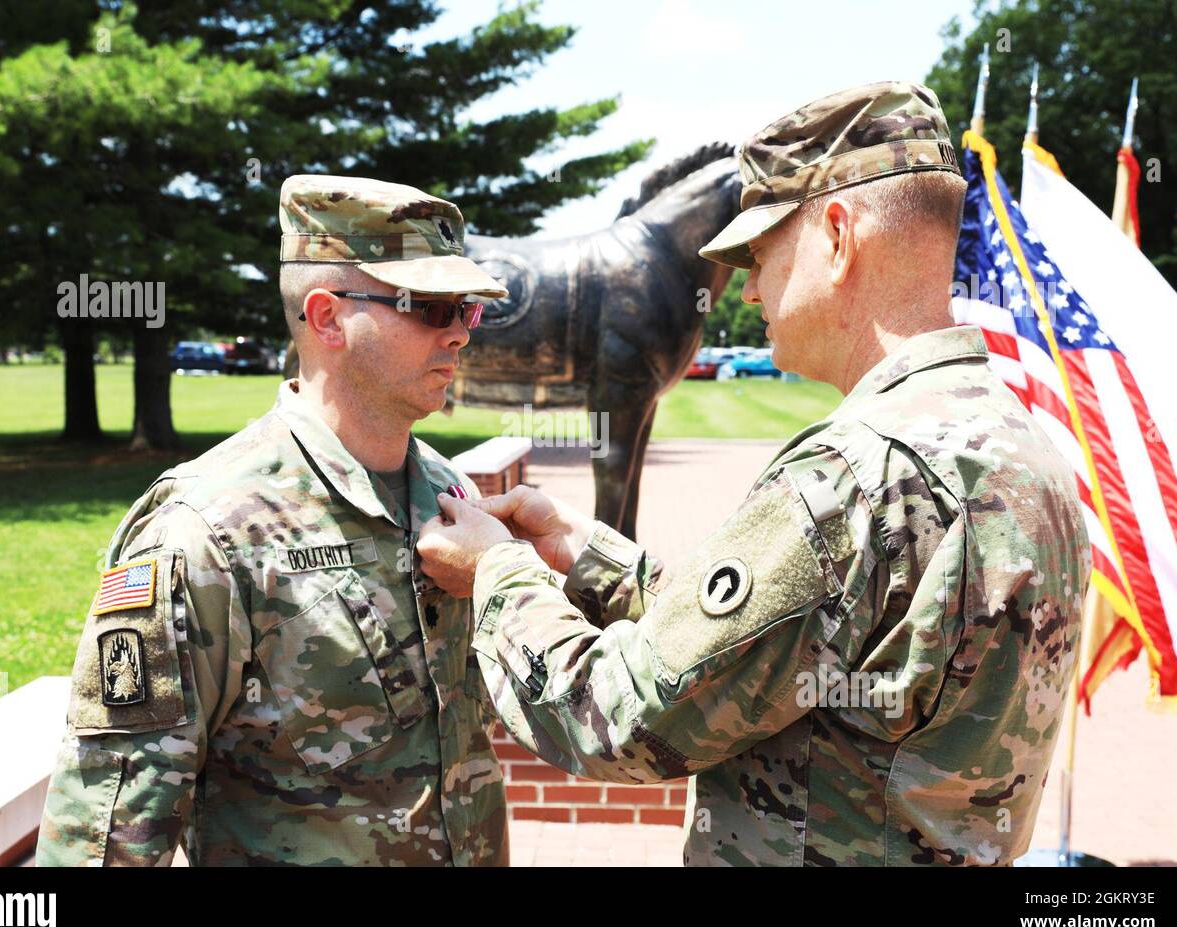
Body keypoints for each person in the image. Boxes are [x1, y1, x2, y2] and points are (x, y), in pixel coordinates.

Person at [416, 81, 1090, 866]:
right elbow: (800, 632)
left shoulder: (851, 476)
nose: (746, 287)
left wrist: (496, 575)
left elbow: (620, 721)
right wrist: (580, 550)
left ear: (837, 236)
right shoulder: (1025, 448)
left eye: (760, 253)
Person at [36, 175, 511, 866]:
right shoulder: (204, 533)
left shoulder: (450, 497)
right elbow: (104, 834)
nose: (458, 336)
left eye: (466, 310)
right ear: (327, 319)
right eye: (430, 307)